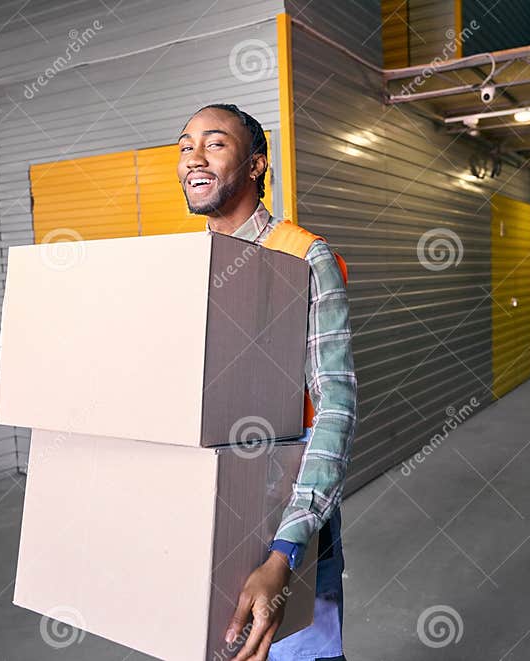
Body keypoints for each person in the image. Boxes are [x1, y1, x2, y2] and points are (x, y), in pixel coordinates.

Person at [177, 103, 357, 661]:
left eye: (214, 143)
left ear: (256, 164)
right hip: (201, 512)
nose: (194, 158)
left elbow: (335, 404)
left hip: (284, 515)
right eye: (185, 147)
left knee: (299, 650)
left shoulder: (304, 256)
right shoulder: (184, 264)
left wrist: (285, 553)